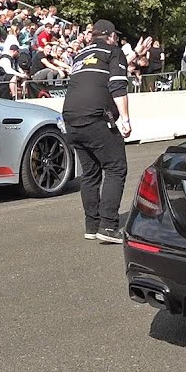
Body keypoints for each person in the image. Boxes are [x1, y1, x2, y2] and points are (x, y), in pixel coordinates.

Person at [61, 19, 132, 244]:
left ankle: (92, 225)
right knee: (116, 167)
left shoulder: (80, 55)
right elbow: (117, 85)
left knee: (91, 173)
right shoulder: (114, 51)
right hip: (96, 117)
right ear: (111, 36)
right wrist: (126, 119)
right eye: (116, 37)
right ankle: (109, 226)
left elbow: (96, 77)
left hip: (71, 118)